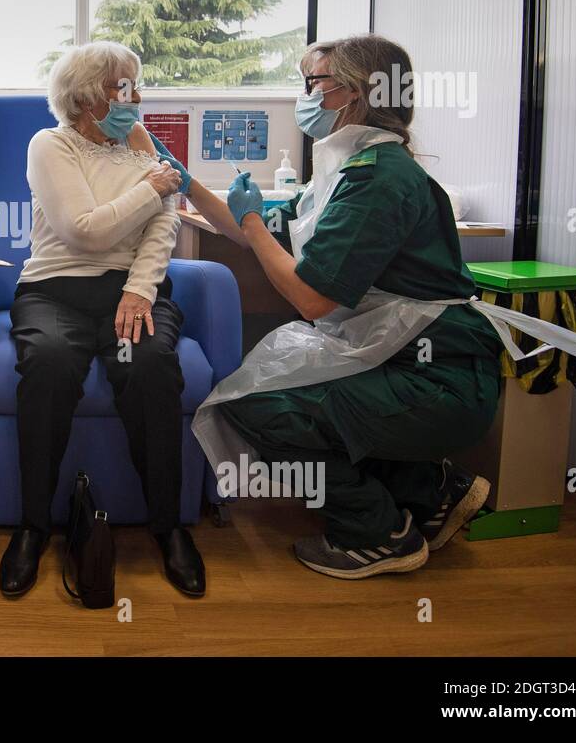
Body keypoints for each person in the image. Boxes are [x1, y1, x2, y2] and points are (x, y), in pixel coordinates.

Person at [175, 34, 502, 579]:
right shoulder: (347, 171)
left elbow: (309, 297)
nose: (306, 95)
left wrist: (254, 221)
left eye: (313, 83)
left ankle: (376, 533)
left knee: (258, 405)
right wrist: (186, 182)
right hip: (401, 358)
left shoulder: (378, 179)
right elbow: (248, 235)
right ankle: (433, 491)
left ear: (354, 92)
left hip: (438, 377)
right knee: (293, 391)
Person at [0, 41, 206, 602]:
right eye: (124, 87)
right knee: (49, 362)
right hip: (53, 291)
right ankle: (33, 526)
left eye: (135, 86)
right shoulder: (50, 145)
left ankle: (169, 527)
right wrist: (152, 188)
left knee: (150, 364)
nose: (136, 98)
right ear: (89, 97)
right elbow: (83, 231)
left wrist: (139, 290)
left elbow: (161, 233)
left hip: (132, 291)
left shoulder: (146, 157)